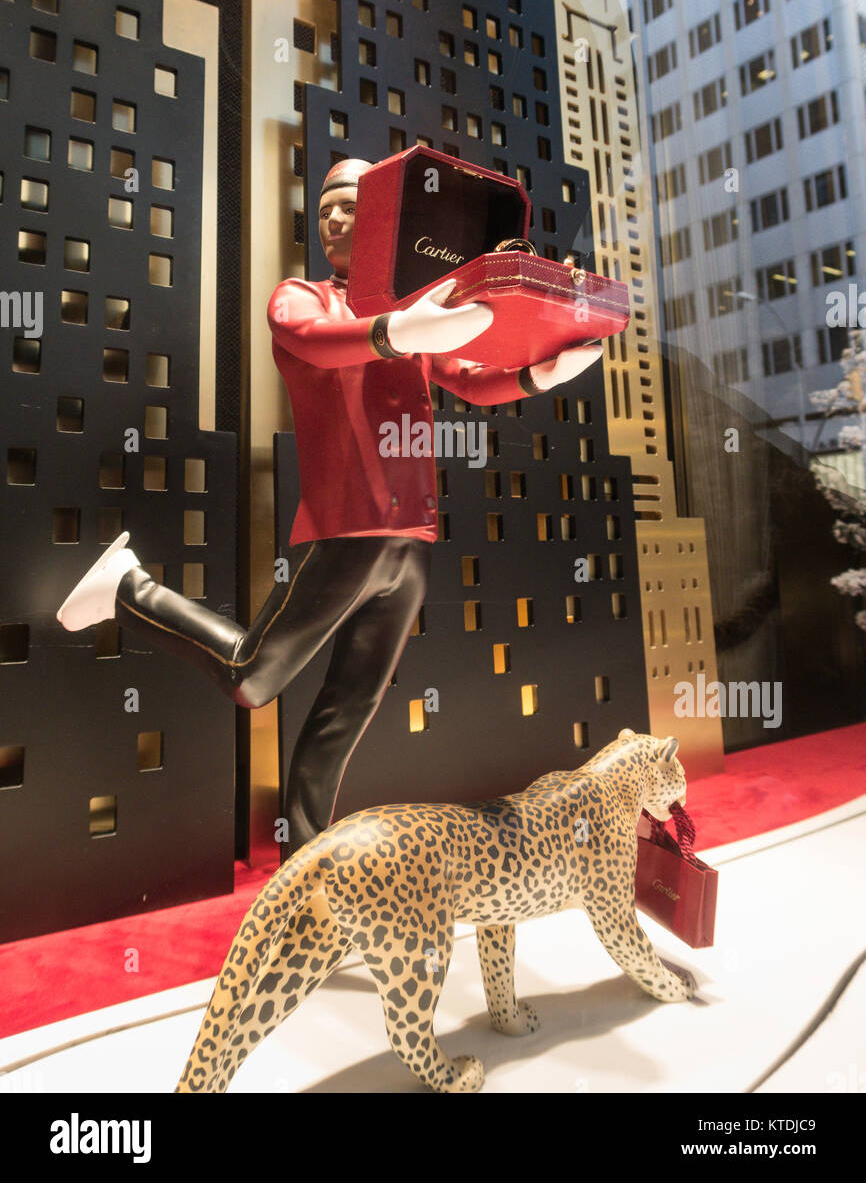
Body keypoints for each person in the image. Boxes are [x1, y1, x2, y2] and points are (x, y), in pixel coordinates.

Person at [57, 157, 602, 851]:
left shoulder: (412, 313)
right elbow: (311, 340)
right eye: (325, 208)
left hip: (412, 540)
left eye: (352, 203)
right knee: (254, 677)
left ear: (386, 217)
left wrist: (538, 371)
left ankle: (307, 866)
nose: (336, 217)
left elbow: (471, 378)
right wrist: (396, 333)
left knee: (348, 710)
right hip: (351, 527)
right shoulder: (303, 296)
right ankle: (130, 589)